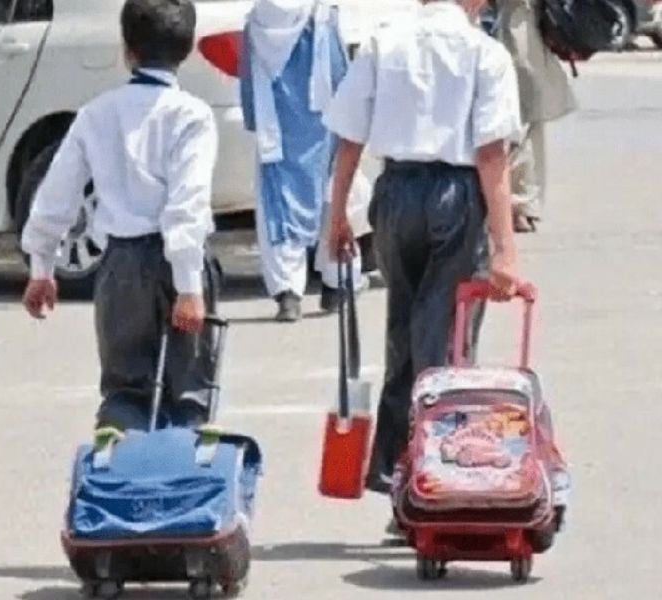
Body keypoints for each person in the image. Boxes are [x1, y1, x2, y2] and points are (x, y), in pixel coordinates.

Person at [323, 0, 524, 507]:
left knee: (405, 332)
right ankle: (431, 476)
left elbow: (348, 137)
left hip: (396, 194)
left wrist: (338, 213)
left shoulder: (383, 42)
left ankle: (395, 469)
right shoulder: (484, 53)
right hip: (455, 196)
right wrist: (505, 248)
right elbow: (492, 153)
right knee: (446, 343)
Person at [21, 0, 221, 431]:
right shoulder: (192, 116)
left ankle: (117, 457)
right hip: (176, 264)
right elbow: (186, 203)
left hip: (120, 265)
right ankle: (182, 464)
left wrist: (42, 267)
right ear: (187, 51)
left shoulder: (95, 114)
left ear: (127, 51)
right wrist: (189, 286)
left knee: (124, 391)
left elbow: (55, 197)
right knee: (188, 394)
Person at [239, 0, 359, 322]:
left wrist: (253, 119)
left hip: (276, 129)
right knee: (333, 200)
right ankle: (335, 284)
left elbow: (248, 78)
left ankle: (288, 294)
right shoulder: (321, 15)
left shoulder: (256, 22)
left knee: (278, 207)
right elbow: (339, 71)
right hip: (323, 128)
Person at [493, 0, 576, 232]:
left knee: (524, 113)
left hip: (519, 25)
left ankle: (518, 203)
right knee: (525, 116)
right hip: (513, 25)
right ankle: (516, 202)